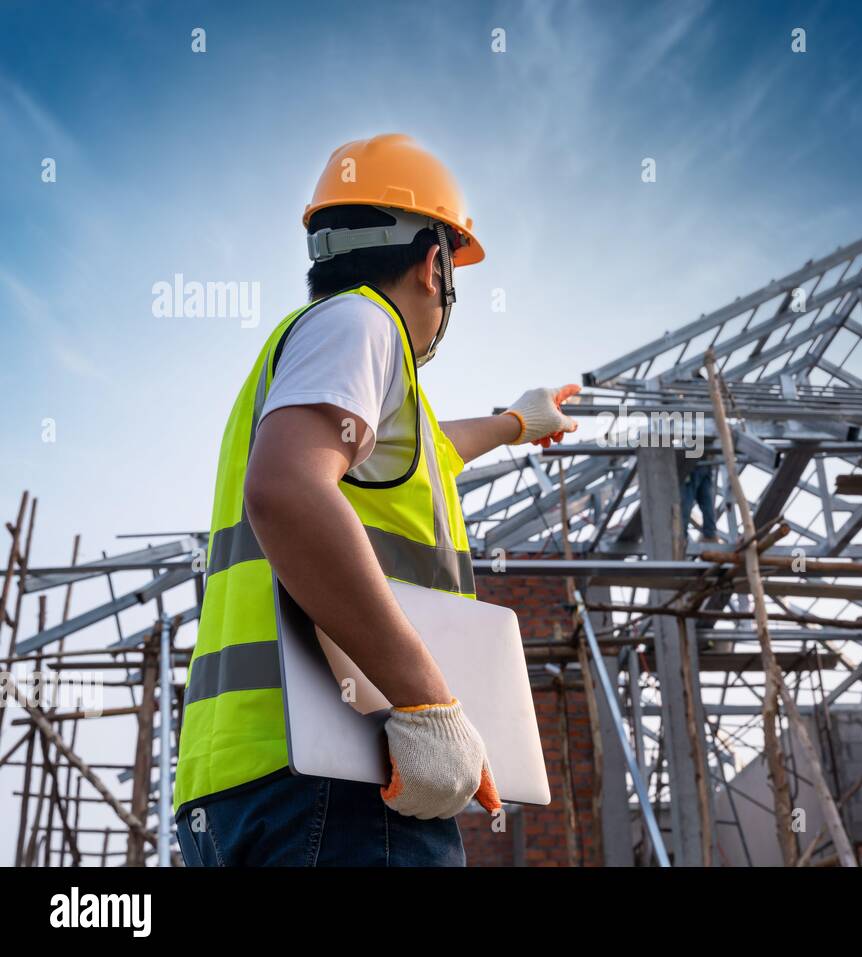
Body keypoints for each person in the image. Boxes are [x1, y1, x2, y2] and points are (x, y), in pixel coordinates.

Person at [172, 134, 579, 866]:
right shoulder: (365, 324)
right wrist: (426, 700)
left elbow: (426, 448)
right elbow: (289, 489)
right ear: (433, 264)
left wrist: (519, 421)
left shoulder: (309, 354)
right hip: (345, 779)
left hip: (239, 779)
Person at [680, 460, 721, 542]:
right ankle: (710, 534)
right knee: (706, 502)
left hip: (691, 464)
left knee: (687, 500)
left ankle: (681, 534)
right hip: (706, 464)